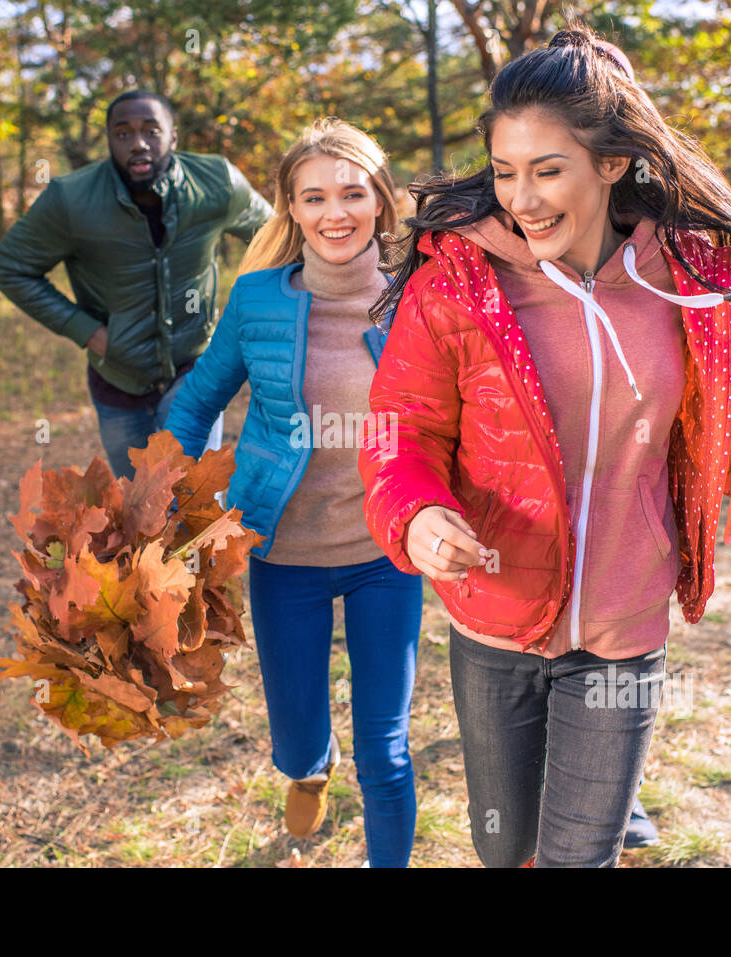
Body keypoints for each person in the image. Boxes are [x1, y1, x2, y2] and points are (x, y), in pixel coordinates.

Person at [358, 26, 731, 868]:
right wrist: (413, 515)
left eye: (548, 169)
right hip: (496, 612)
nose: (521, 197)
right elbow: (398, 425)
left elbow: (691, 387)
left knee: (577, 857)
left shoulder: (681, 273)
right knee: (503, 847)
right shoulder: (460, 281)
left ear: (612, 163)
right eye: (505, 171)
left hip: (626, 619)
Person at [163, 118, 423, 868]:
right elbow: (195, 403)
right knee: (299, 735)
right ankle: (310, 768)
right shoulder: (256, 302)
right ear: (291, 208)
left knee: (388, 745)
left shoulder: (417, 300)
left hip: (386, 552)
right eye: (314, 197)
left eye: (352, 194)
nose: (334, 213)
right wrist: (165, 494)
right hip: (284, 549)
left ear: (380, 201)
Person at [0, 90, 274, 479]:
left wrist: (244, 324)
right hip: (116, 376)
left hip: (193, 367)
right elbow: (9, 267)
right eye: (122, 134)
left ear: (173, 136)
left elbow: (276, 241)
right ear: (109, 140)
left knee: (191, 500)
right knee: (136, 507)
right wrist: (90, 333)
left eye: (151, 131)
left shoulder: (216, 184)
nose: (138, 143)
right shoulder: (71, 200)